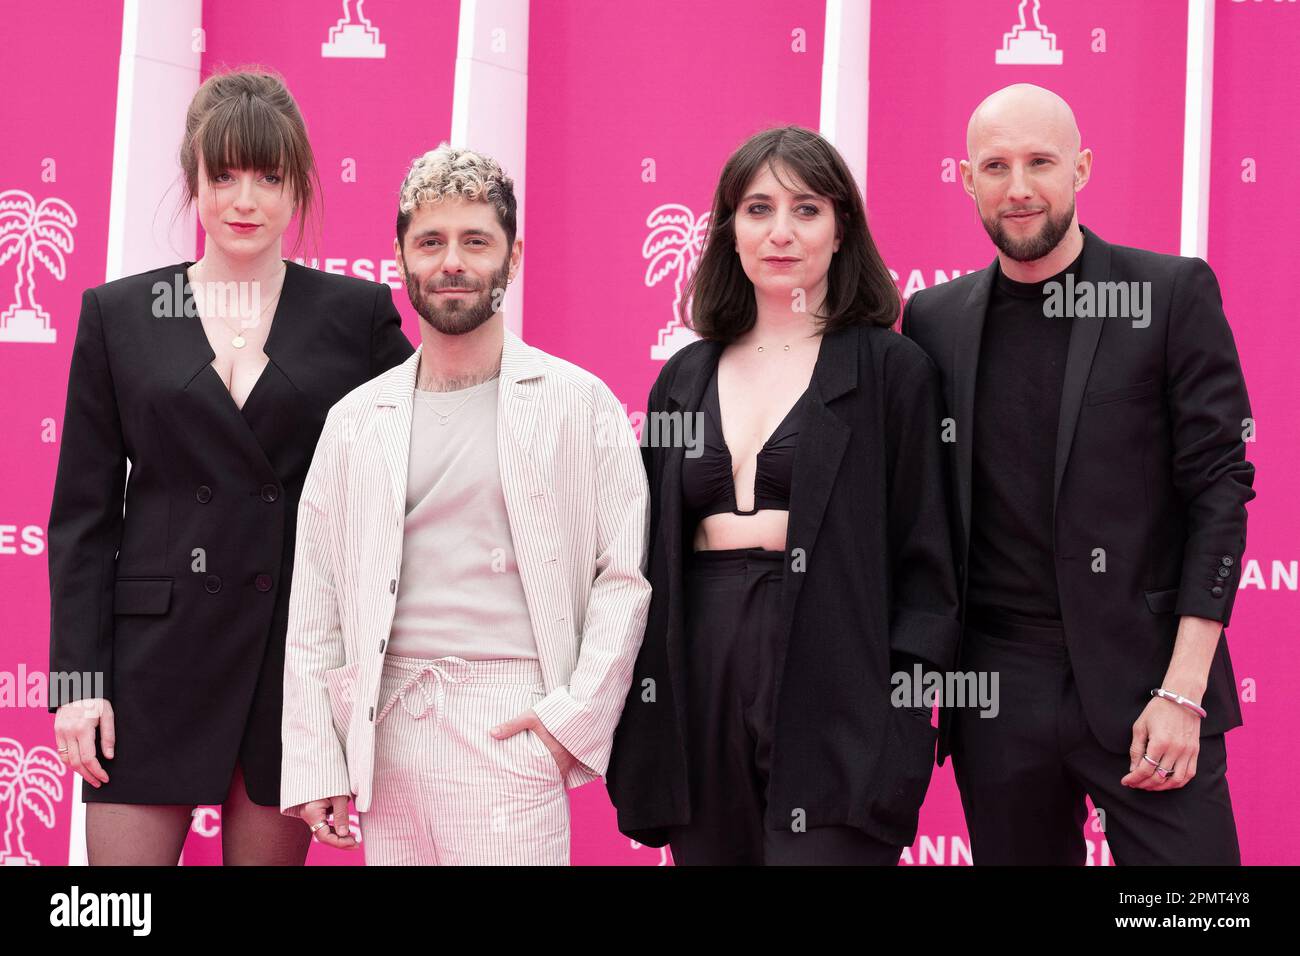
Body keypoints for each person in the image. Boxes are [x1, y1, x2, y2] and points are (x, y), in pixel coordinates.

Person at [47, 68, 414, 866]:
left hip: (288, 666)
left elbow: (428, 451)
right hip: (149, 670)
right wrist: (77, 687)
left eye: (269, 177)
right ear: (195, 182)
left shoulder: (354, 317)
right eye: (225, 176)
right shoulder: (120, 315)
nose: (245, 199)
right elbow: (82, 519)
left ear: (298, 187)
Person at [901, 84, 1254, 865]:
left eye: (1040, 162)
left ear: (1082, 169)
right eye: (996, 166)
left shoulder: (1167, 296)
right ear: (966, 179)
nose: (1018, 187)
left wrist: (1183, 689)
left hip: (1150, 679)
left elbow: (1219, 491)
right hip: (996, 691)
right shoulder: (933, 320)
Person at [279, 144, 651, 865]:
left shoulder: (581, 405)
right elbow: (316, 602)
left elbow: (624, 577)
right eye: (431, 241)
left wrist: (567, 722)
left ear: (512, 258)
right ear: (400, 259)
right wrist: (317, 758)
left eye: (476, 241)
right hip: (385, 726)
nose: (452, 261)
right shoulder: (355, 420)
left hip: (511, 718)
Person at [605, 126, 960, 865]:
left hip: (841, 686)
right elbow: (643, 560)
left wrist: (897, 722)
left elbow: (928, 566)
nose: (781, 232)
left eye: (807, 210)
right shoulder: (683, 376)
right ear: (729, 230)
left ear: (841, 231)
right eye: (758, 209)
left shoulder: (894, 371)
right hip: (700, 676)